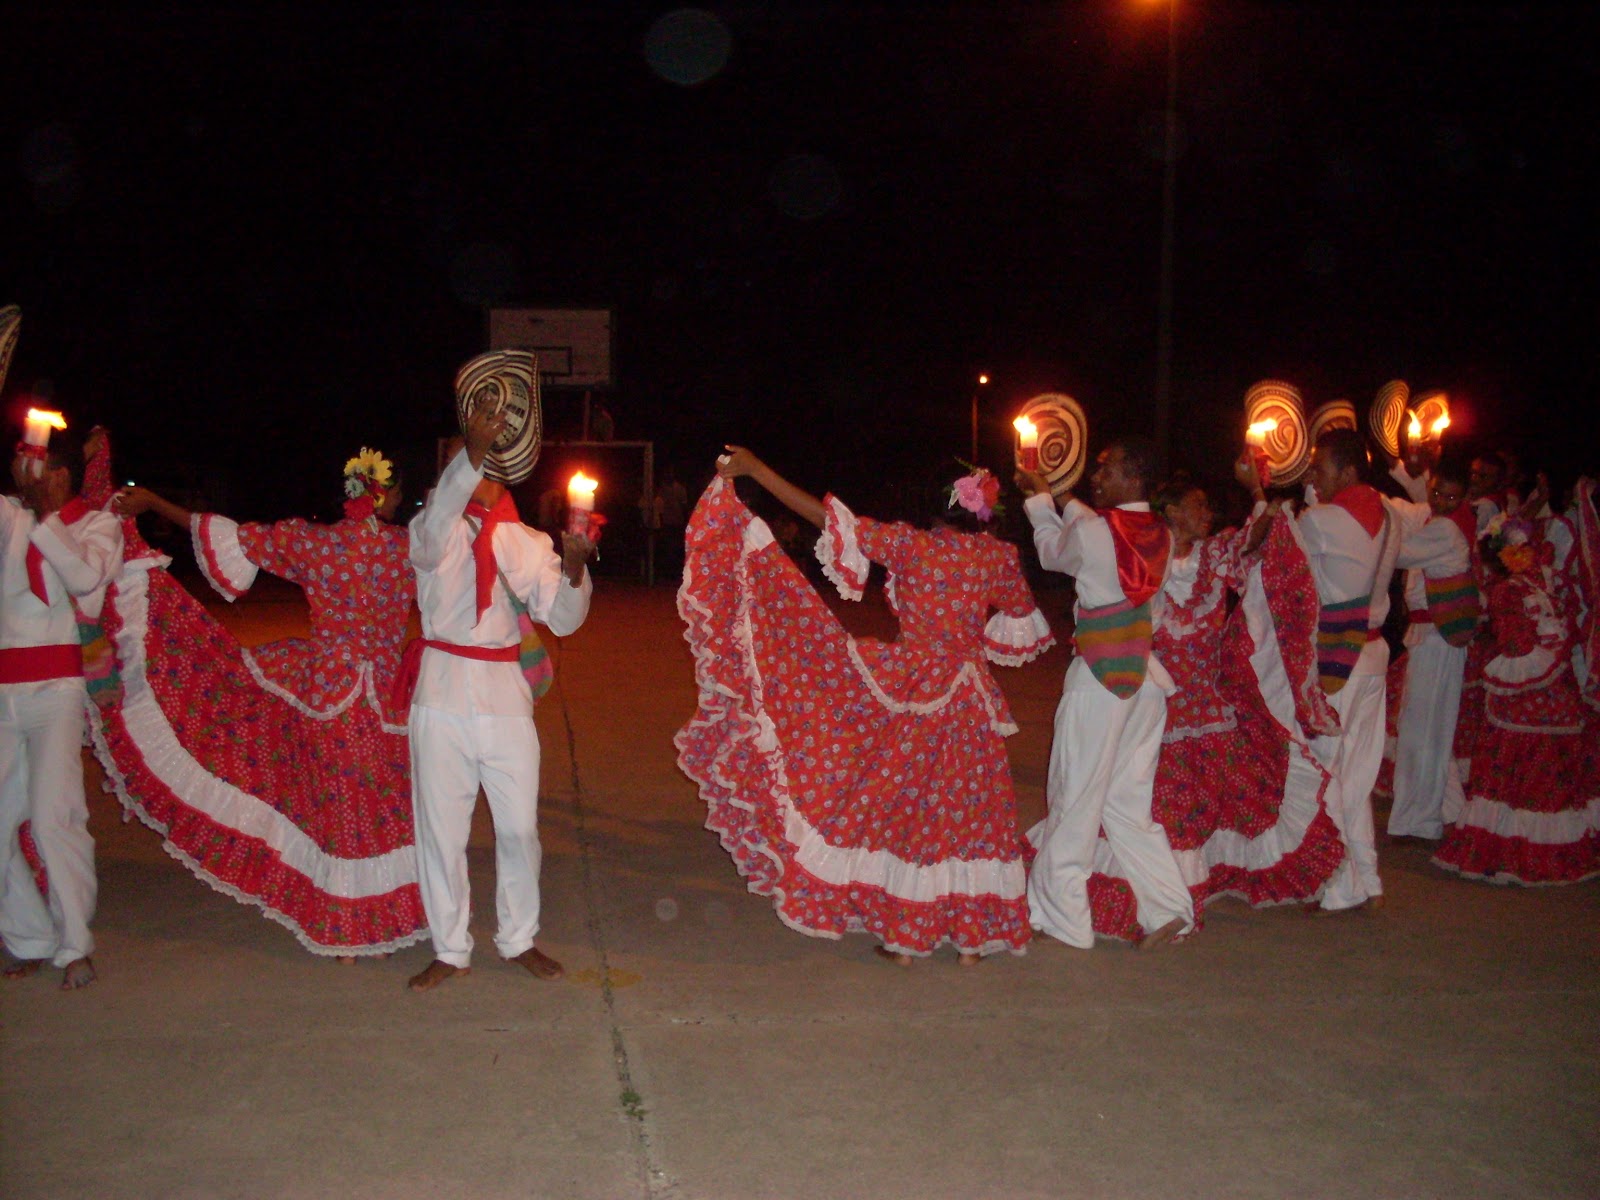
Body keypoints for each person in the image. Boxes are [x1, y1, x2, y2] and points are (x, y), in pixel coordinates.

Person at [677, 448, 1053, 964]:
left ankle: (906, 937)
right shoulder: (998, 558)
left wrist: (761, 471)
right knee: (970, 811)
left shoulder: (911, 544)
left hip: (917, 688)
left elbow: (829, 517)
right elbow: (1022, 615)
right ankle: (971, 941)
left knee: (908, 809)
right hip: (970, 696)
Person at [101, 441, 429, 959]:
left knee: (335, 813)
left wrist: (155, 503)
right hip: (389, 702)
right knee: (381, 812)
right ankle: (376, 923)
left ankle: (345, 933)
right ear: (388, 496)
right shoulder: (410, 549)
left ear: (352, 492)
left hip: (327, 693)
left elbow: (227, 536)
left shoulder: (311, 542)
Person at [1086, 474, 1345, 937]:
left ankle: (1191, 884)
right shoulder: (1144, 561)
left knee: (1221, 798)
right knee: (1168, 804)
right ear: (1170, 514)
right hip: (1158, 709)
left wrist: (1262, 493)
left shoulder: (1215, 555)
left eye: (1208, 507)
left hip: (1210, 706)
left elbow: (1256, 536)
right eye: (1197, 505)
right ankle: (1164, 895)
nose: (1207, 514)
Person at [402, 395, 593, 992]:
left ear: (500, 469)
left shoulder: (531, 543)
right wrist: (469, 455)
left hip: (507, 700)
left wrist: (577, 570)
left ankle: (518, 938)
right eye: (461, 457)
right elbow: (431, 533)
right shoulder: (433, 530)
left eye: (480, 456)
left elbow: (562, 620)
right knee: (442, 831)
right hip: (441, 696)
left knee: (518, 830)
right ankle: (450, 948)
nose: (467, 467)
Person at [1018, 438, 1194, 951]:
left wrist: (1038, 503)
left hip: (1098, 679)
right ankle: (1170, 909)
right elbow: (1096, 529)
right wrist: (1060, 495)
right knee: (1124, 804)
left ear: (1133, 478)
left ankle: (1063, 918)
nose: (1098, 476)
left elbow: (1054, 552)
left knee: (1074, 795)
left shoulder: (1097, 531)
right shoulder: (1159, 530)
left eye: (1107, 469)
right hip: (1144, 682)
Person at [2, 424, 122, 989]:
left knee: (55, 817)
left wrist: (45, 518)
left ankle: (75, 943)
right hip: (2, 690)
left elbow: (84, 581)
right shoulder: (8, 516)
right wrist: (24, 512)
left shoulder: (98, 526)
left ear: (63, 476)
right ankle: (29, 934)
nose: (27, 476)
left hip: (56, 690)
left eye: (39, 466)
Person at [1432, 491, 1600, 884]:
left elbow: (1516, 642)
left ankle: (1510, 851)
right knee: (1547, 776)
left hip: (1526, 696)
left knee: (1514, 773)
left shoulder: (1509, 590)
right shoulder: (1538, 585)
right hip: (1553, 693)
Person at [1286, 427, 1401, 914]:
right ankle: (1365, 877)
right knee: (1357, 774)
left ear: (1348, 471)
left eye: (1320, 466)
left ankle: (1335, 882)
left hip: (1338, 657)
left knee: (1325, 771)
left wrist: (1274, 500)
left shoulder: (1322, 518)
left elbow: (1283, 559)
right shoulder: (1393, 514)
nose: (1314, 473)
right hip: (1375, 653)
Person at [1386, 459, 1480, 842]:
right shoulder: (1441, 520)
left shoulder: (1444, 529)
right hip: (1432, 639)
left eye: (1450, 496)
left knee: (1420, 731)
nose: (1441, 501)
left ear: (1463, 498)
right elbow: (1409, 510)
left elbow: (1399, 552)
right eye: (1437, 492)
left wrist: (1370, 527)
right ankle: (1443, 809)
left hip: (1437, 639)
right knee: (1430, 728)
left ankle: (1417, 821)